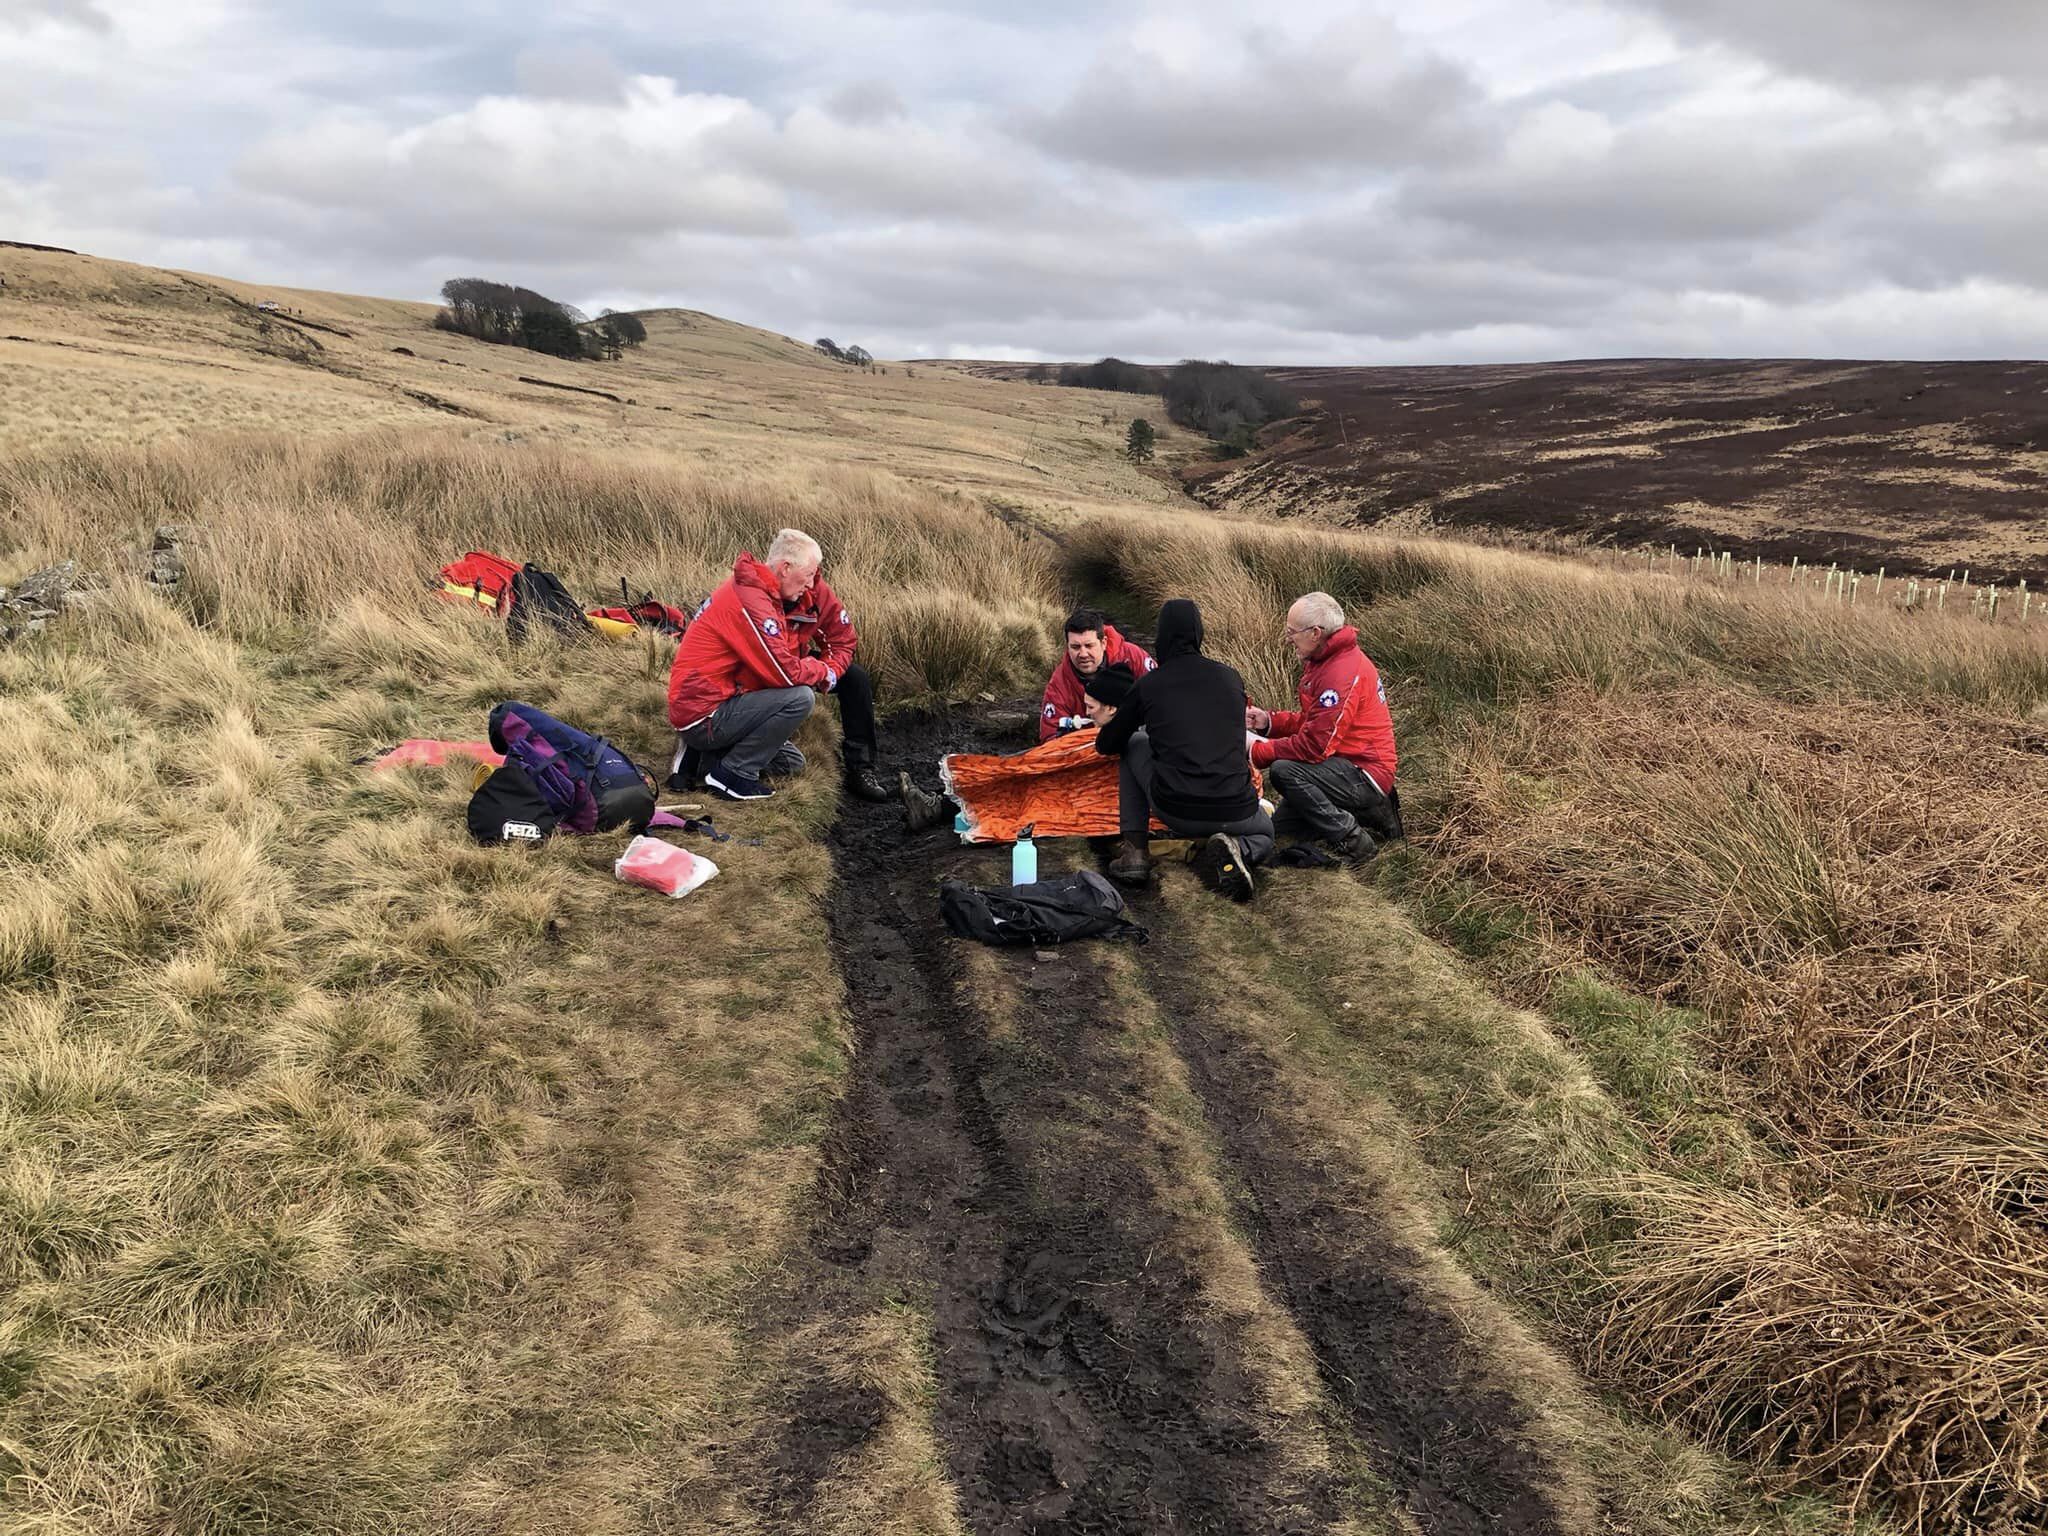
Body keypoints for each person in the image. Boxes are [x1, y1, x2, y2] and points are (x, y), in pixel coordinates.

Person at [666, 528, 893, 803]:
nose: (812, 585)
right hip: (713, 701)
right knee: (799, 698)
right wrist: (821, 671)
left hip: (752, 681)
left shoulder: (810, 587)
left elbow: (843, 638)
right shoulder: (752, 599)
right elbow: (783, 672)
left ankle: (705, 757)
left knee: (793, 761)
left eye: (814, 576)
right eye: (808, 576)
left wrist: (831, 670)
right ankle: (731, 773)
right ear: (785, 568)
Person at [1094, 599, 1274, 902]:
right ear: (1198, 634)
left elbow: (1107, 744)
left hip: (1178, 810)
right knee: (1266, 834)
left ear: (1161, 636)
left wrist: (1145, 729)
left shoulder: (1151, 684)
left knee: (1133, 742)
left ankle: (1135, 855)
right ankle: (1238, 849)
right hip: (1237, 808)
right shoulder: (1230, 678)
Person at [1244, 591, 1401, 863]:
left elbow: (1315, 747)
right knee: (1277, 832)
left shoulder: (1340, 672)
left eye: (1292, 631)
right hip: (1338, 766)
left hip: (1364, 773)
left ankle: (1355, 840)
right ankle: (1372, 815)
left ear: (1315, 633)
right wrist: (1269, 723)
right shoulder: (1325, 661)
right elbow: (1314, 723)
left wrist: (1258, 751)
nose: (1287, 638)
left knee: (1284, 771)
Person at [901, 663, 1138, 837]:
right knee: (1020, 773)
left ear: (1111, 708)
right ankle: (937, 804)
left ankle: (936, 807)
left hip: (1085, 795)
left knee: (1023, 785)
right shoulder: (1115, 730)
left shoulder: (1114, 738)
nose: (1086, 713)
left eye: (1091, 707)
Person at [1040, 607, 1154, 741]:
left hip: (1139, 740)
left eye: (1089, 646)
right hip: (1088, 751)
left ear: (1103, 643)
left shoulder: (1133, 657)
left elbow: (1162, 697)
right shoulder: (1059, 684)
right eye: (1075, 647)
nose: (1083, 654)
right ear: (1067, 646)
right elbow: (1050, 738)